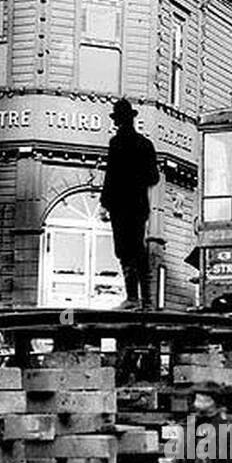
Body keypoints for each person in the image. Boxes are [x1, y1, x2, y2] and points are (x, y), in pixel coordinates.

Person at [100, 98, 160, 308]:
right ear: (132, 120)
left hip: (119, 206)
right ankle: (146, 300)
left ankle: (132, 298)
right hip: (138, 206)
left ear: (118, 121)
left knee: (124, 251)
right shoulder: (146, 144)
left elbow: (111, 176)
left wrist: (104, 204)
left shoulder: (115, 144)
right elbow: (154, 177)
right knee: (138, 250)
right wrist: (138, 181)